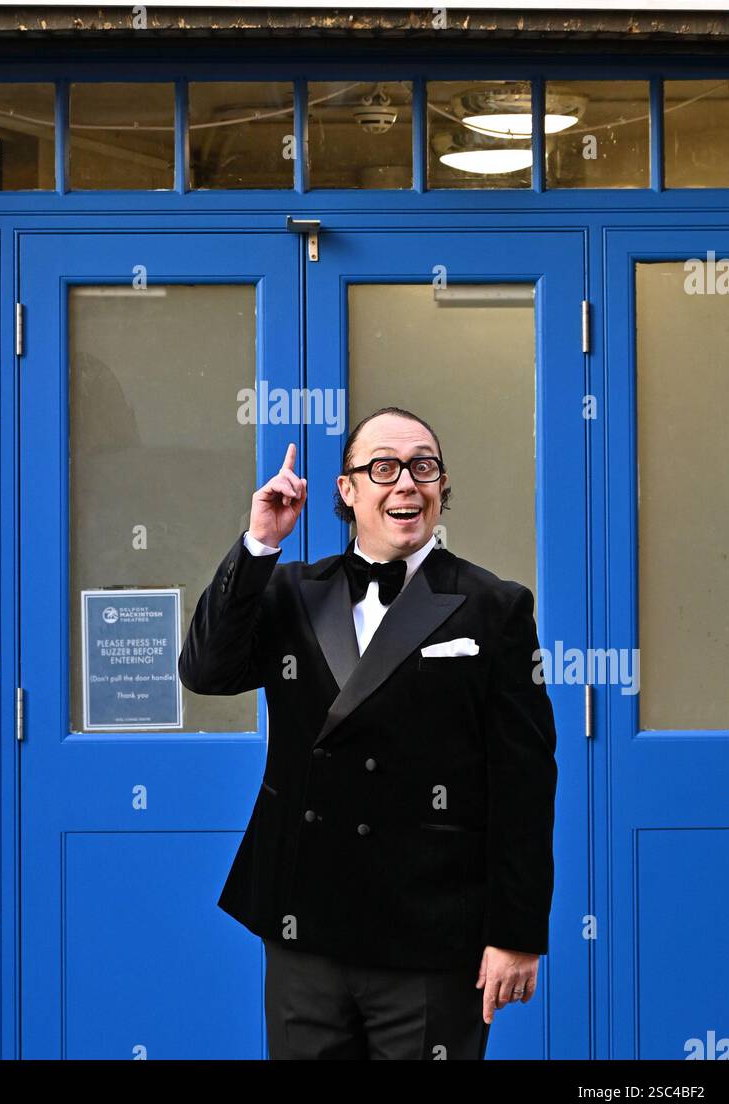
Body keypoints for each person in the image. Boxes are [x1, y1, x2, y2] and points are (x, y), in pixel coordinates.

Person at [178, 405, 557, 1060]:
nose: (406, 482)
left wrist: (517, 933)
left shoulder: (495, 606)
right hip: (304, 931)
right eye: (383, 468)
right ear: (347, 491)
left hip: (432, 935)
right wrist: (260, 542)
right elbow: (206, 671)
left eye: (423, 466)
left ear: (441, 486)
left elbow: (524, 782)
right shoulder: (293, 591)